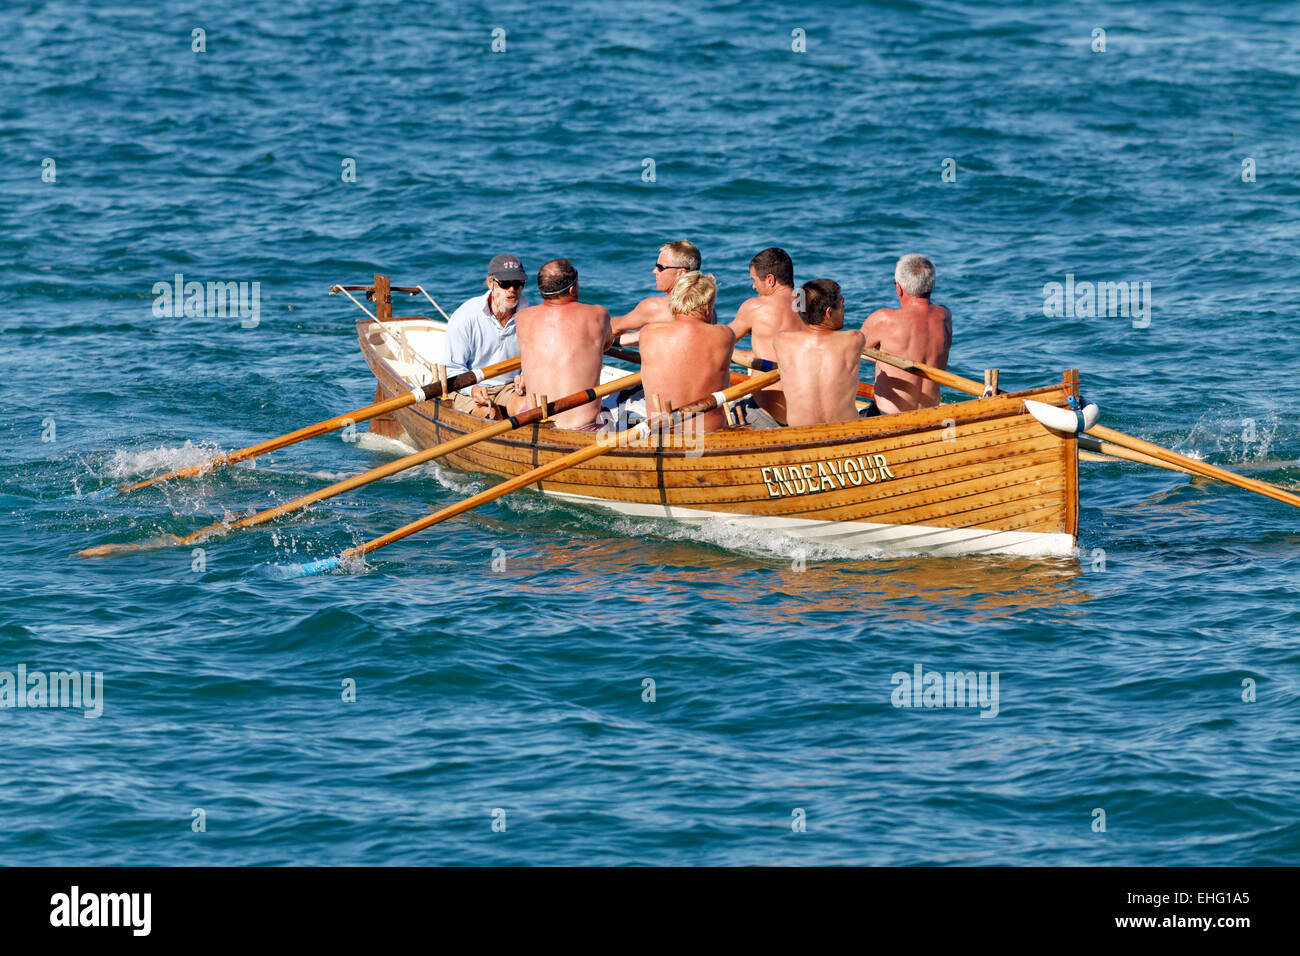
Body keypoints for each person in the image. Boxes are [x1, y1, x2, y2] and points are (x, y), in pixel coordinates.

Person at [507, 259, 614, 431]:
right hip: (584, 427)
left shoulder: (522, 318)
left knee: (513, 399)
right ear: (573, 289)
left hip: (537, 418)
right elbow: (607, 344)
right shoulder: (599, 315)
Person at [639, 271, 735, 434]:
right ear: (707, 307)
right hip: (709, 435)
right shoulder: (725, 335)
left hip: (663, 434)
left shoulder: (648, 333)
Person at [862, 254, 952, 415]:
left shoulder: (883, 319)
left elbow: (851, 352)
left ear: (899, 288)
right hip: (929, 414)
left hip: (887, 417)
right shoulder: (944, 316)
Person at [443, 254, 530, 419]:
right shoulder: (465, 316)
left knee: (527, 410)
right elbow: (452, 370)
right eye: (505, 284)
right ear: (491, 283)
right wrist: (473, 390)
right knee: (489, 413)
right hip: (469, 389)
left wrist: (526, 376)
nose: (512, 290)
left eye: (518, 283)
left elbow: (534, 360)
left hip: (508, 388)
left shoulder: (529, 315)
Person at [772, 279, 865, 427]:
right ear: (829, 312)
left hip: (801, 437)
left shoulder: (781, 341)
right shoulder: (854, 339)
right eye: (842, 305)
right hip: (845, 434)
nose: (843, 310)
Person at [726, 247, 803, 424]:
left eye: (754, 280)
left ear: (770, 280)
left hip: (766, 412)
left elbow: (718, 343)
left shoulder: (756, 307)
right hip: (803, 412)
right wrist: (740, 356)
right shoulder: (808, 303)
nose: (753, 286)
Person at [610, 240, 701, 343]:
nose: (654, 271)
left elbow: (613, 328)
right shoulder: (708, 310)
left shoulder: (656, 307)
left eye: (660, 267)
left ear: (681, 273)